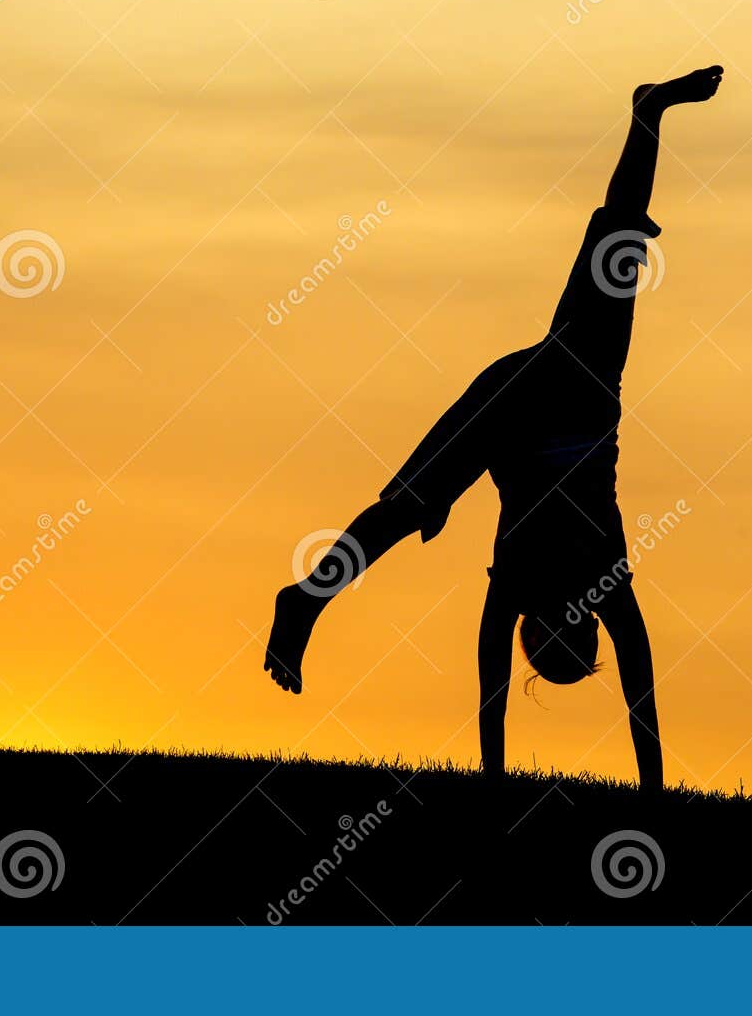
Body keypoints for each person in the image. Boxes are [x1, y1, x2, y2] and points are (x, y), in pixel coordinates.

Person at [264, 65, 725, 791]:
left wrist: (502, 778)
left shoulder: (541, 585)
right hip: (567, 380)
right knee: (617, 240)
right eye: (577, 634)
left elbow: (520, 674)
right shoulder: (584, 582)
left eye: (558, 639)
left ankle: (308, 598)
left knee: (411, 506)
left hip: (533, 396)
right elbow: (626, 673)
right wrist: (650, 790)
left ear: (538, 635)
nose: (572, 626)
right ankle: (649, 111)